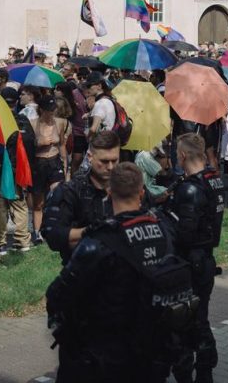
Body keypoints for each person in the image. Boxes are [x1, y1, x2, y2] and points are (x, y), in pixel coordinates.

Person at [45, 162, 194, 382]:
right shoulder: (165, 231)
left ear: (109, 192)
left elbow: (57, 295)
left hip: (107, 356)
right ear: (142, 193)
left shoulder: (100, 241)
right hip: (151, 352)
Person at [167, 134, 224, 383]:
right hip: (205, 260)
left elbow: (185, 234)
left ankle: (193, 373)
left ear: (182, 155)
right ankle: (204, 371)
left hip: (190, 263)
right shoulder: (213, 179)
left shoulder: (190, 188)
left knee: (185, 324)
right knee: (199, 319)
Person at [41, 130, 121, 264]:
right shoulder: (70, 191)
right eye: (104, 161)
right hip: (83, 271)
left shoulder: (128, 186)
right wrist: (93, 231)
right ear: (90, 157)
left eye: (115, 160)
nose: (111, 167)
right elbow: (53, 235)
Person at [0, 87, 34, 255]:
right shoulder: (23, 121)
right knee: (19, 206)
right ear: (16, 102)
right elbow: (31, 146)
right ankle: (22, 241)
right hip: (18, 171)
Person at [30, 94, 70, 245]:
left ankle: (55, 228)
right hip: (39, 163)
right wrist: (38, 142)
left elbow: (62, 145)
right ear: (41, 109)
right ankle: (37, 233)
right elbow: (27, 145)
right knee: (38, 202)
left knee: (57, 194)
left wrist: (66, 167)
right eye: (48, 110)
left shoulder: (60, 123)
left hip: (54, 162)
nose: (51, 113)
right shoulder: (33, 124)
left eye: (53, 109)